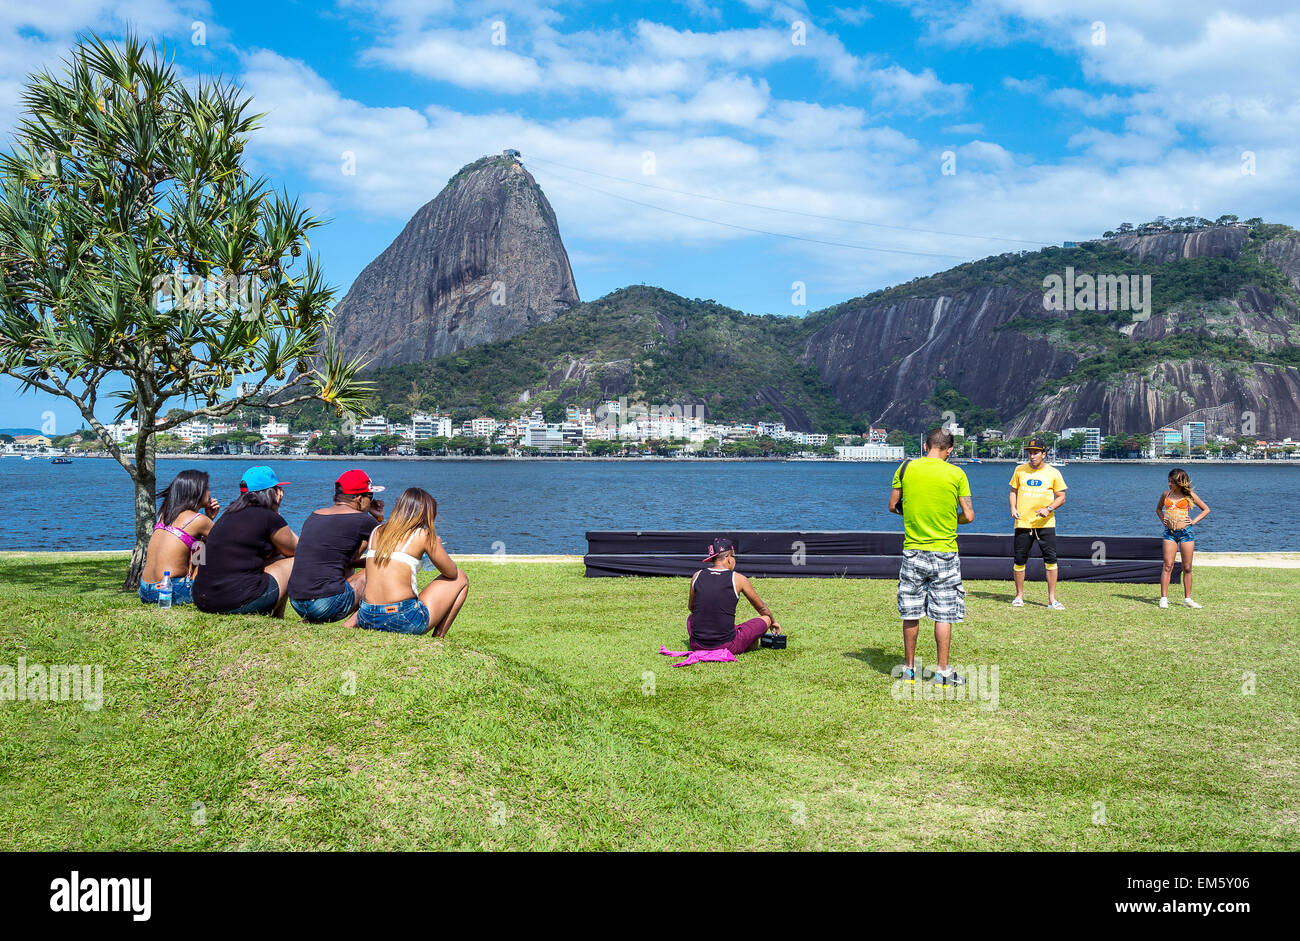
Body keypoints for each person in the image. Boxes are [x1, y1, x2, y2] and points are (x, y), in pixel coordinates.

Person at [888, 427, 975, 687]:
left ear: (926, 446)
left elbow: (893, 506)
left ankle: (908, 670)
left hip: (913, 550)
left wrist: (916, 515)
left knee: (911, 612)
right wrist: (950, 518)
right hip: (945, 552)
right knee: (944, 613)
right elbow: (969, 516)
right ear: (949, 450)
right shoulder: (957, 473)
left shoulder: (905, 469)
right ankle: (942, 672)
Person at [356, 487, 469, 636]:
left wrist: (379, 519)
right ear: (426, 514)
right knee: (460, 577)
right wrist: (436, 545)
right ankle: (438, 640)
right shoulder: (423, 535)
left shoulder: (376, 531)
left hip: (367, 617)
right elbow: (451, 572)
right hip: (401, 618)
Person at [193, 466, 297, 617]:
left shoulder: (228, 514)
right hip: (237, 603)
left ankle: (276, 616)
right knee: (294, 560)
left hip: (203, 599)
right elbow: (296, 549)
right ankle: (277, 617)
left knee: (276, 557)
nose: (281, 493)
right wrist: (276, 511)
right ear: (272, 492)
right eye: (278, 489)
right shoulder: (269, 517)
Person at [287, 469, 386, 625]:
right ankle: (350, 624)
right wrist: (377, 518)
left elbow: (348, 560)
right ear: (359, 498)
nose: (373, 501)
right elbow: (389, 557)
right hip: (326, 605)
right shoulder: (362, 520)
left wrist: (374, 520)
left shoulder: (315, 515)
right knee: (383, 569)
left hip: (296, 602)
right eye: (370, 497)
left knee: (347, 570)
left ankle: (314, 620)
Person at [685, 537, 780, 655]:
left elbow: (692, 608)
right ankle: (747, 642)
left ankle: (739, 636)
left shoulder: (697, 575)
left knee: (691, 618)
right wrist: (773, 621)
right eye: (734, 557)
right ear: (728, 558)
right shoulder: (738, 579)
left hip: (697, 645)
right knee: (766, 619)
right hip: (727, 645)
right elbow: (761, 608)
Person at [139, 469, 219, 605]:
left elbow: (197, 551)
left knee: (199, 546)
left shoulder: (164, 515)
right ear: (196, 491)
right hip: (171, 591)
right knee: (211, 550)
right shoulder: (199, 520)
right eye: (207, 488)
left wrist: (209, 520)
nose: (210, 493)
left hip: (145, 590)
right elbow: (223, 544)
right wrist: (210, 520)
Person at [1008, 437, 1068, 609]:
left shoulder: (1053, 473)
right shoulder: (1020, 470)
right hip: (1023, 523)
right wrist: (1013, 508)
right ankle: (1019, 596)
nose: (1032, 456)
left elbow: (1062, 497)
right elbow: (1013, 491)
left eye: (1036, 452)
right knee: (1019, 560)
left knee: (1051, 560)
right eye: (1030, 452)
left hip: (1045, 524)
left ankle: (1052, 599)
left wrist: (1048, 509)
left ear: (1044, 454)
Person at [1157, 468, 1210, 609]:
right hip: (1169, 533)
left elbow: (1206, 509)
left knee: (1187, 567)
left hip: (1186, 533)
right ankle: (1163, 599)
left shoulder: (1189, 495)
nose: (1169, 484)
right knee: (1168, 565)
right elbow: (1158, 509)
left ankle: (1188, 599)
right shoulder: (1165, 494)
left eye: (1172, 482)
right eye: (1168, 481)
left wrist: (1193, 521)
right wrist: (1163, 519)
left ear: (1179, 482)